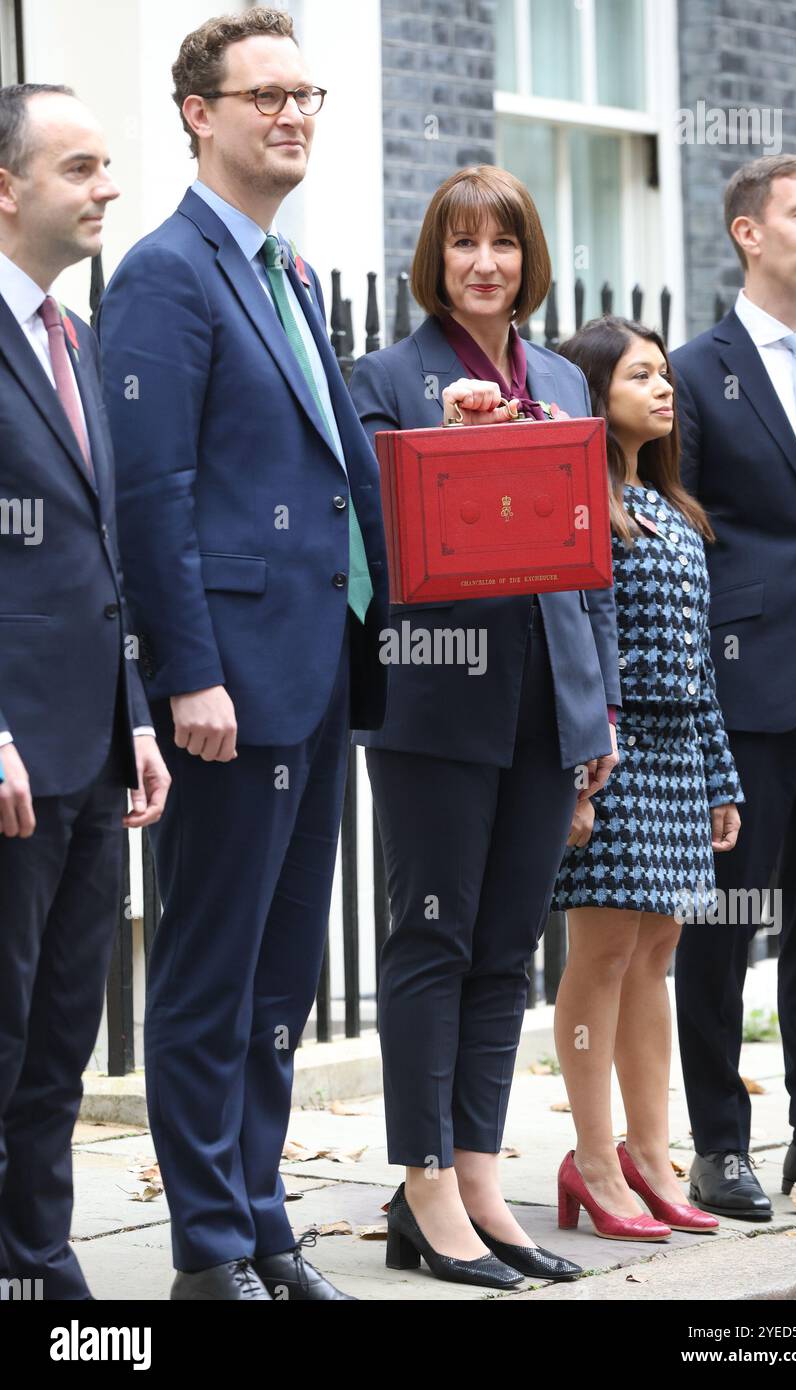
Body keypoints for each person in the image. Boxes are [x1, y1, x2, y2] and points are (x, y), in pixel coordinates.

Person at [98, 8, 389, 1300]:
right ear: (197, 115)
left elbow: (326, 465)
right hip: (228, 685)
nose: (291, 114)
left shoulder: (294, 275)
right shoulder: (167, 273)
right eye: (263, 94)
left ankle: (264, 1214)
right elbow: (149, 492)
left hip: (315, 667)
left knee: (282, 974)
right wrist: (187, 671)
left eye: (306, 94)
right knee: (211, 971)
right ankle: (207, 1244)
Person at [349, 164, 621, 1289]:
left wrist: (596, 701)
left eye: (501, 243)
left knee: (506, 952)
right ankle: (419, 1189)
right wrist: (460, 443)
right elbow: (377, 553)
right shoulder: (384, 378)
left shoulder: (560, 375)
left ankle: (473, 1178)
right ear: (434, 258)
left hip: (543, 706)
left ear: (526, 259)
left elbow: (589, 563)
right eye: (460, 243)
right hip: (432, 699)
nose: (482, 263)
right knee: (431, 941)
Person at [671, 153, 796, 1220]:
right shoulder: (695, 373)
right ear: (747, 232)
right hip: (743, 686)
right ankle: (717, 1142)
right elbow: (684, 530)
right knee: (721, 920)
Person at [0, 83, 169, 1300]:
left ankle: (41, 1269)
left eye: (108, 166)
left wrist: (139, 716)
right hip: (9, 755)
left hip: (94, 749)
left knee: (63, 1036)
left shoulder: (76, 336)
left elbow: (96, 553)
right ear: (7, 187)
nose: (107, 187)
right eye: (81, 167)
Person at [552, 316, 743, 1241]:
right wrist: (582, 774)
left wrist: (720, 777)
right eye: (642, 375)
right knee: (602, 953)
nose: (666, 389)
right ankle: (592, 1160)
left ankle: (651, 1154)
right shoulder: (581, 501)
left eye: (667, 374)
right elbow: (579, 650)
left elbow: (703, 664)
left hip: (677, 758)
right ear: (597, 389)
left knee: (658, 950)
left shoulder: (674, 509)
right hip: (613, 753)